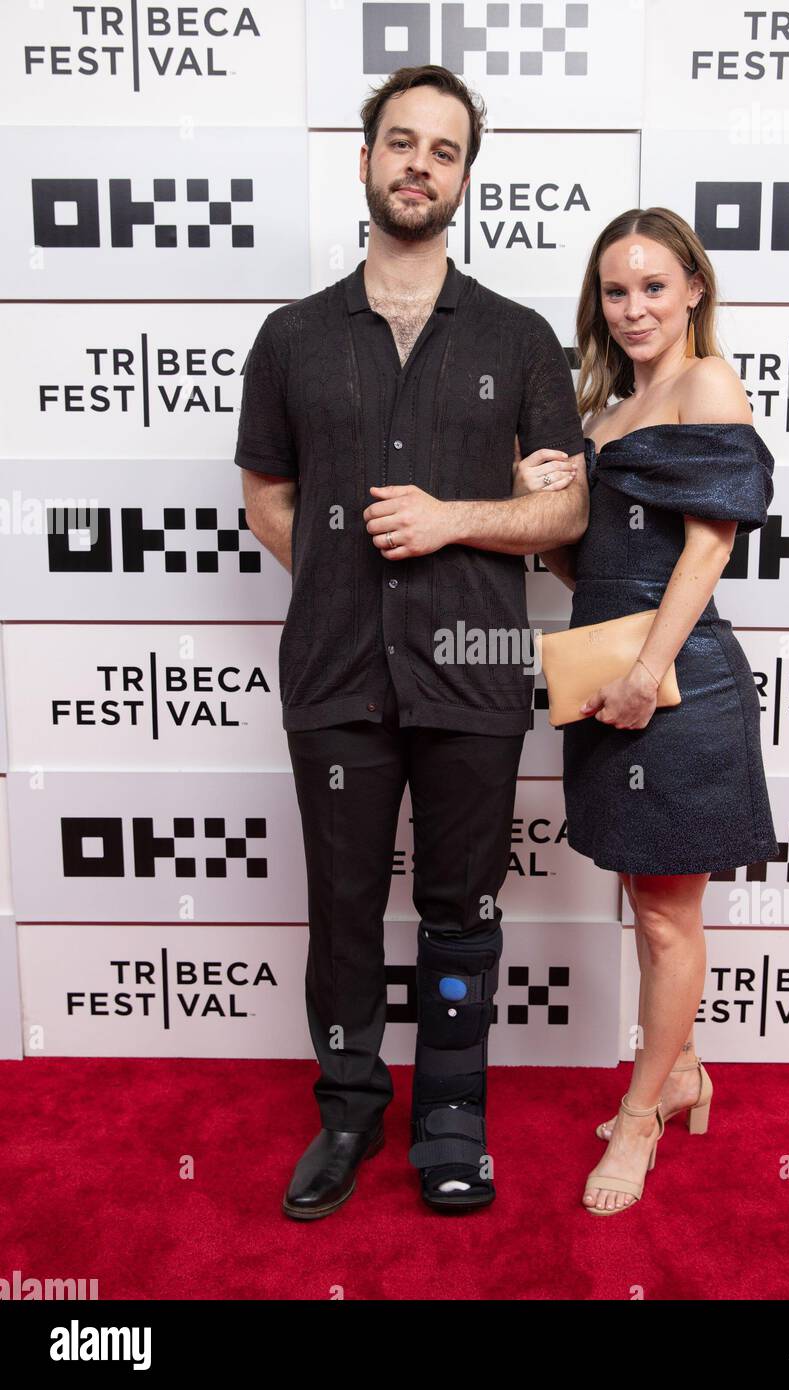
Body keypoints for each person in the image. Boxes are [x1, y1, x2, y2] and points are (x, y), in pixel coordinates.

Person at [234, 65, 587, 1217]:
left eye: (442, 149)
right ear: (367, 160)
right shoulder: (292, 338)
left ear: (465, 179)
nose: (418, 165)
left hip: (474, 675)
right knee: (340, 905)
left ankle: (450, 1113)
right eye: (401, 142)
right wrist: (352, 583)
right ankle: (347, 1110)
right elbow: (267, 497)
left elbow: (566, 512)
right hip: (335, 673)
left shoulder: (523, 338)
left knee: (461, 906)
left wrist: (452, 524)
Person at [515, 208, 780, 1215]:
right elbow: (596, 567)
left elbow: (709, 549)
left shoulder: (708, 383)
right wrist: (547, 508)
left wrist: (646, 674)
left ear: (694, 290)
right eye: (616, 291)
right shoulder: (609, 409)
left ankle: (638, 1119)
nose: (634, 308)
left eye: (654, 287)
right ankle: (681, 1071)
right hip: (609, 670)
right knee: (649, 905)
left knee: (669, 922)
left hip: (676, 682)